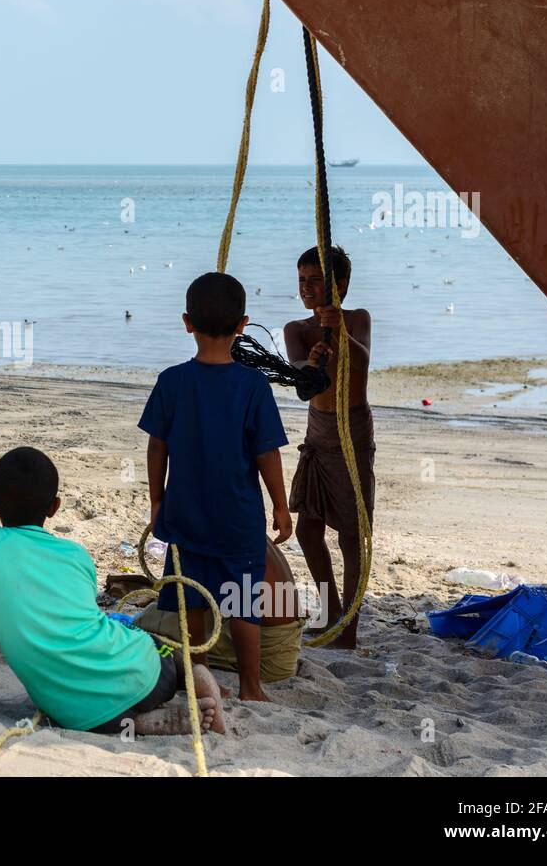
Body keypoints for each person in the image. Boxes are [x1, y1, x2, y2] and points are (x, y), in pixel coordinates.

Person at [0, 447, 223, 735]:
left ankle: (135, 724)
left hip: (75, 713)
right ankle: (189, 676)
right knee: (159, 649)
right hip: (145, 677)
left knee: (81, 710)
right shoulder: (76, 555)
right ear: (54, 507)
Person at [140, 272, 291, 702]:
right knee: (244, 603)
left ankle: (199, 674)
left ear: (187, 322)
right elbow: (268, 454)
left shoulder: (171, 381)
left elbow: (157, 447)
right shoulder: (252, 386)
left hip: (185, 514)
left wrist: (156, 500)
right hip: (238, 517)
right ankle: (250, 686)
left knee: (192, 602)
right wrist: (281, 507)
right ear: (243, 324)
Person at [284, 245, 374, 650]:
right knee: (307, 530)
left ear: (340, 285)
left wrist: (340, 334)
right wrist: (312, 363)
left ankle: (349, 630)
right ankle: (331, 612)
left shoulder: (357, 320)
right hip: (318, 434)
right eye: (302, 280)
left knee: (353, 537)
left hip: (352, 432)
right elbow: (303, 385)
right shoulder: (296, 330)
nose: (306, 288)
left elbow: (361, 362)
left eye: (316, 281)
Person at [134, 537, 306, 683]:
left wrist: (202, 674)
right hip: (285, 633)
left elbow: (193, 600)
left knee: (149, 621)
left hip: (271, 656)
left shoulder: (203, 520)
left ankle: (247, 687)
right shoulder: (243, 513)